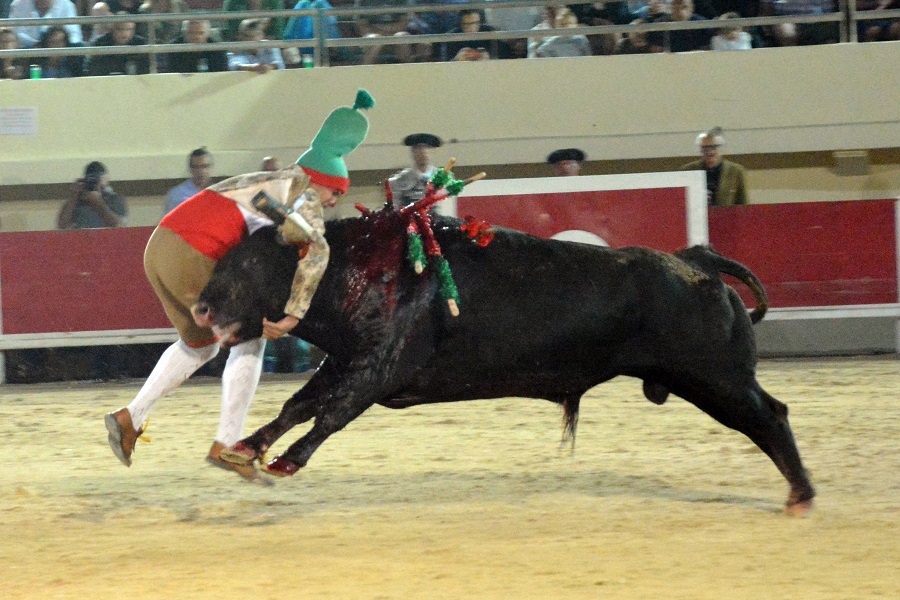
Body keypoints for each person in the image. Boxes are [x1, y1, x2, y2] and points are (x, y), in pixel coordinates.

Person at [103, 89, 375, 482]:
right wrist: (292, 318)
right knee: (251, 338)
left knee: (200, 344)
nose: (334, 202)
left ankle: (131, 417)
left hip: (160, 247)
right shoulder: (304, 194)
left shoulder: (268, 180)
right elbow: (317, 254)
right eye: (336, 191)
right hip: (195, 252)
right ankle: (228, 447)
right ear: (320, 181)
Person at [681, 127, 749, 206]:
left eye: (714, 147)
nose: (710, 152)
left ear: (722, 148)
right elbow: (680, 202)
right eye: (705, 148)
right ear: (700, 150)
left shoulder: (736, 171)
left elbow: (744, 204)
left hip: (727, 217)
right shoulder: (688, 171)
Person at [58, 161, 128, 229]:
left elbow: (120, 227)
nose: (94, 183)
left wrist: (99, 204)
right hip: (83, 239)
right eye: (90, 180)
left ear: (106, 180)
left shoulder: (115, 199)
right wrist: (73, 198)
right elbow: (62, 226)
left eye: (96, 180)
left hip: (107, 239)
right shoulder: (77, 200)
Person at [387, 132, 442, 208]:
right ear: (412, 152)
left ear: (434, 151)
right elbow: (395, 210)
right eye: (418, 147)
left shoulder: (445, 178)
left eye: (428, 147)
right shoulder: (398, 181)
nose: (423, 151)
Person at [85, 14, 150, 76]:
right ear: (112, 29)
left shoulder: (140, 44)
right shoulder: (99, 44)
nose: (124, 33)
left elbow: (147, 71)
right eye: (120, 29)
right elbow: (91, 71)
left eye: (129, 29)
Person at [440, 8, 513, 62]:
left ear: (480, 22)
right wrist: (456, 60)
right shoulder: (451, 37)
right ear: (460, 25)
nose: (471, 27)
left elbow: (507, 59)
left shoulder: (490, 33)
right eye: (467, 24)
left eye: (475, 23)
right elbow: (442, 65)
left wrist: (490, 59)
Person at [8, 0, 83, 48]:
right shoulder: (18, 4)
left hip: (58, 51)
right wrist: (39, 44)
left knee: (78, 47)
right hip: (28, 52)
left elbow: (74, 36)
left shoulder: (67, 5)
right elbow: (15, 34)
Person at [164, 19, 228, 73]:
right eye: (191, 33)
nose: (195, 37)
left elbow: (222, 74)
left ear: (208, 33)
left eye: (200, 33)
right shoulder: (173, 49)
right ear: (184, 33)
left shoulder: (217, 49)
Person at [165, 147, 213, 214]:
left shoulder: (221, 195)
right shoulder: (177, 195)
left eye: (204, 166)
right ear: (190, 169)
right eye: (196, 167)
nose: (200, 171)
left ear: (211, 167)